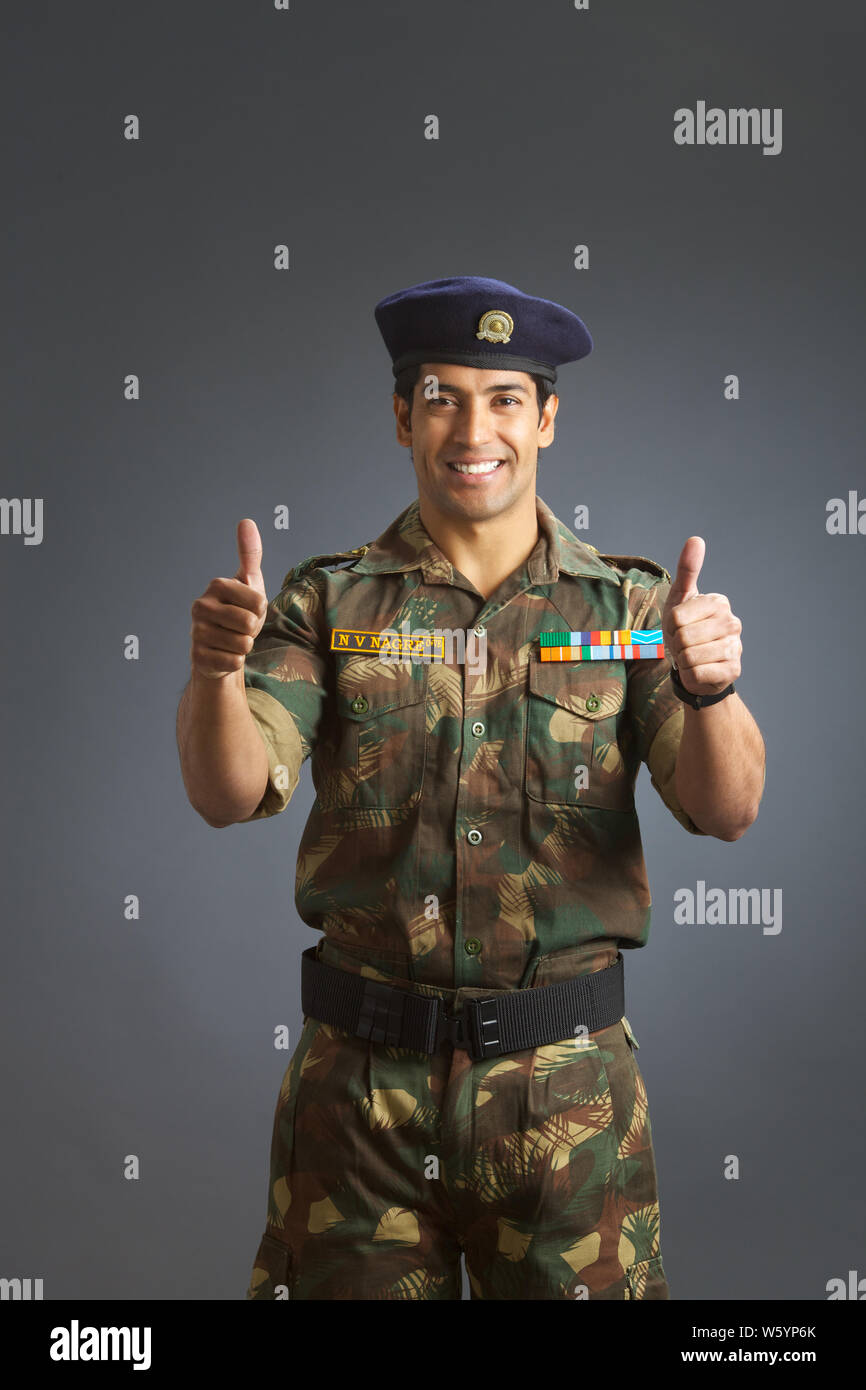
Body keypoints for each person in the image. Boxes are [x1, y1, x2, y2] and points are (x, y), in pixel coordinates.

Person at [176, 276, 766, 1300]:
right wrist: (216, 673)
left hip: (566, 1097)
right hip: (359, 1101)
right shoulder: (326, 601)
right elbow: (227, 789)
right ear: (402, 416)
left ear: (544, 419)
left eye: (501, 398)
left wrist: (709, 689)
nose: (471, 427)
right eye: (441, 395)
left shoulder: (628, 610)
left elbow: (725, 809)